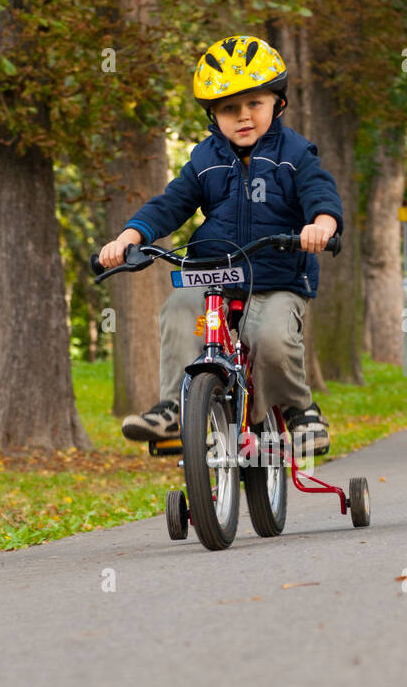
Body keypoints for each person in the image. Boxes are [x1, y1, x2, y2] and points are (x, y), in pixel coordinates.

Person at [98, 34, 343, 455]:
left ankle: (301, 411)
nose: (243, 116)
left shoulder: (295, 154)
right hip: (213, 273)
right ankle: (176, 410)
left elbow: (320, 192)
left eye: (254, 104)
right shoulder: (204, 159)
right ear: (213, 115)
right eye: (230, 108)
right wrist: (131, 236)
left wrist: (321, 224)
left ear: (277, 104)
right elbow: (170, 204)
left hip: (277, 276)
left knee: (268, 337)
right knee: (178, 308)